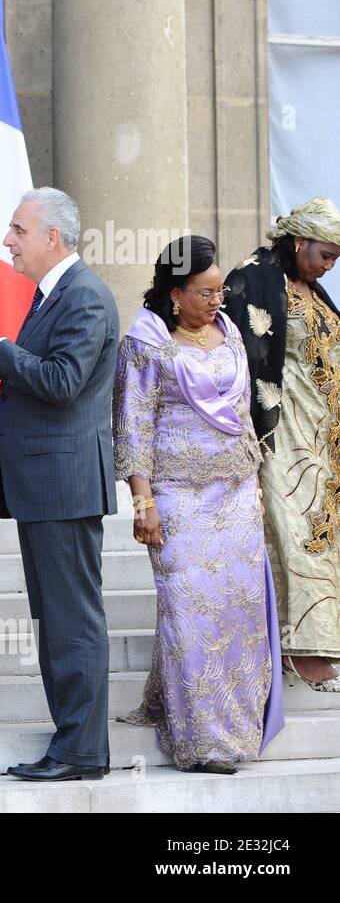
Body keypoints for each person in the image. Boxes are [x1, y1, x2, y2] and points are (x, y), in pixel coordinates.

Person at [0, 186, 119, 782]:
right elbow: (53, 410)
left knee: (71, 622)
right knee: (56, 621)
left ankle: (80, 750)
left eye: (18, 230)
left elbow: (61, 383)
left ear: (52, 237)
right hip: (47, 483)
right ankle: (73, 744)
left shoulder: (84, 296)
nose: (7, 241)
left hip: (64, 490)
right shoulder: (56, 294)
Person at [114, 235, 284, 773]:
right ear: (174, 293)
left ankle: (237, 725)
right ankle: (203, 742)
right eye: (205, 292)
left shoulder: (229, 330)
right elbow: (134, 428)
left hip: (235, 494)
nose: (217, 301)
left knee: (238, 609)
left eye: (219, 291)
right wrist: (143, 503)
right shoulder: (146, 344)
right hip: (177, 498)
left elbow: (241, 413)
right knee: (190, 611)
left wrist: (254, 484)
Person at [224, 196, 340, 691]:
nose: (329, 265)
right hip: (281, 432)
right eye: (325, 255)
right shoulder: (252, 279)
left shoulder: (313, 290)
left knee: (322, 533)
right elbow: (239, 361)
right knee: (294, 530)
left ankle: (323, 638)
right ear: (299, 241)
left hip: (323, 436)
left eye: (335, 258)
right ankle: (300, 648)